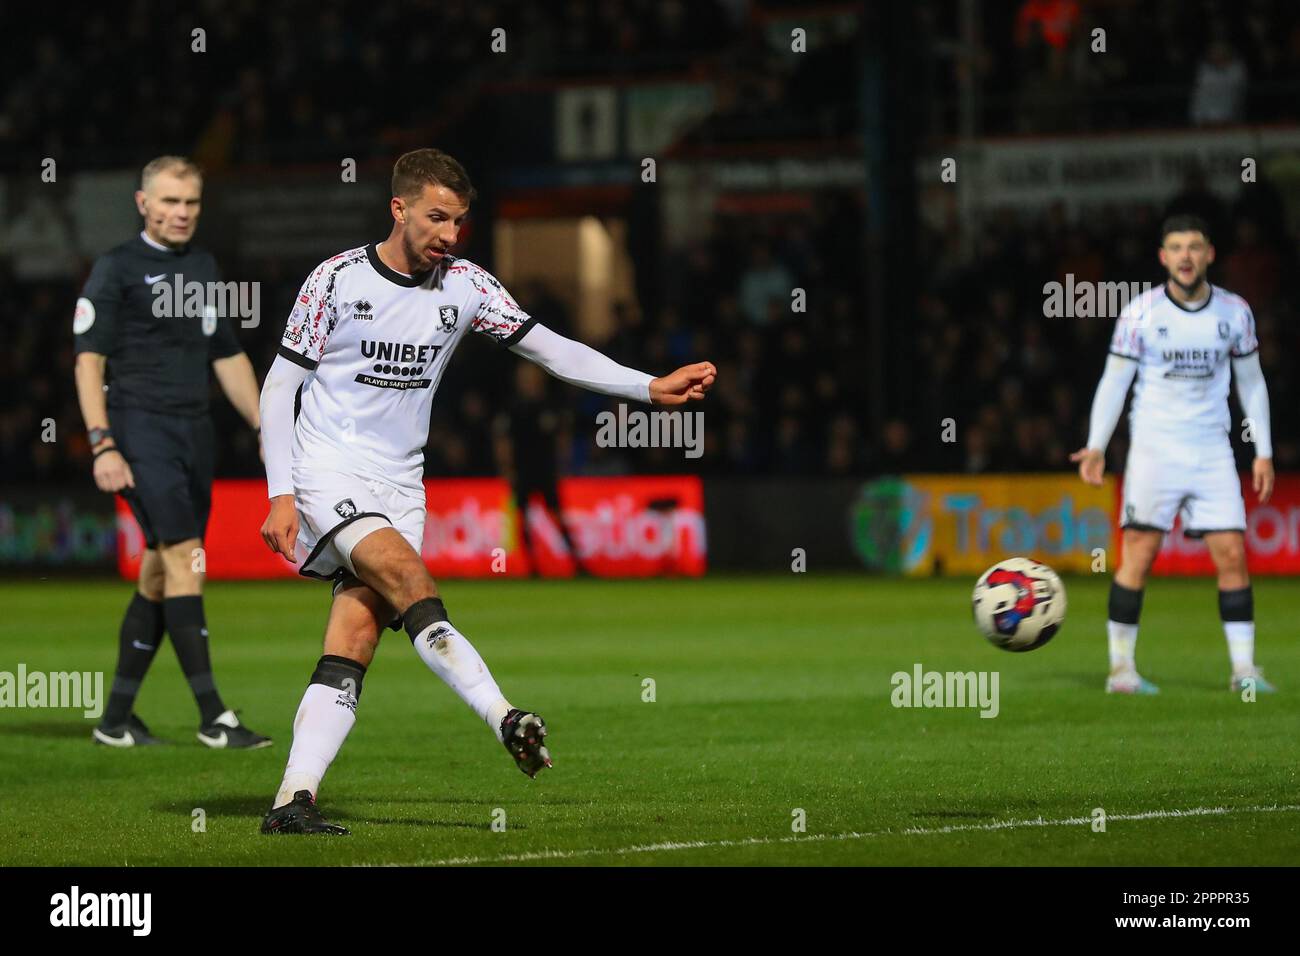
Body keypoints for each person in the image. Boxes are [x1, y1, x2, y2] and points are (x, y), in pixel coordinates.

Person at [257, 148, 716, 834]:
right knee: (410, 578)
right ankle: (504, 715)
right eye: (436, 217)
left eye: (458, 221)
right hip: (329, 469)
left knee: (356, 635)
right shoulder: (336, 280)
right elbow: (280, 386)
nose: (449, 234)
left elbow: (551, 348)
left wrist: (646, 387)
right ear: (399, 209)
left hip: (401, 485)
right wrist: (281, 491)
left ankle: (292, 801)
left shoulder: (467, 287)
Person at [73, 156, 270, 747]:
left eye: (191, 203)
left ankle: (115, 721)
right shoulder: (116, 268)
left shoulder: (204, 266)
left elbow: (226, 353)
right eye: (169, 202)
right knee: (186, 558)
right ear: (143, 203)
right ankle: (214, 718)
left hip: (194, 433)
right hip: (140, 430)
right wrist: (103, 443)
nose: (181, 213)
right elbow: (88, 361)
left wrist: (265, 425)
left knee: (161, 571)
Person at [1071, 215, 1275, 695]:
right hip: (1154, 451)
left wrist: (1262, 451)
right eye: (1177, 248)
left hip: (1211, 449)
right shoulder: (1140, 314)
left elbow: (1251, 381)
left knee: (1232, 555)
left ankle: (1244, 671)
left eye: (1195, 247)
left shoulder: (1235, 312)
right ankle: (1122, 671)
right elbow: (1115, 381)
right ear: (1163, 257)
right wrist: (1097, 444)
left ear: (1209, 255)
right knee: (1139, 555)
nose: (1186, 256)